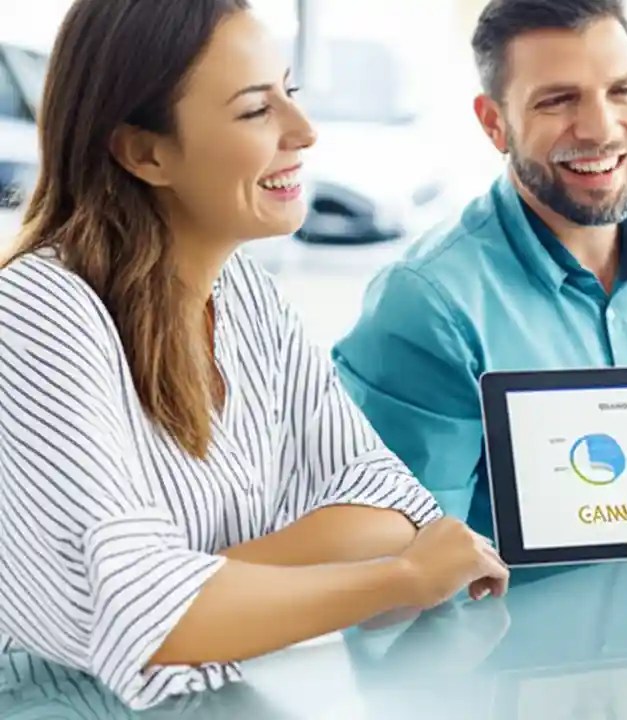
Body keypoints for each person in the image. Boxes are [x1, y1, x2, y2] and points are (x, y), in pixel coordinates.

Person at [0, 0, 508, 711]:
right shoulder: (36, 312)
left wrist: (190, 591)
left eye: (289, 94)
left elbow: (390, 506)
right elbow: (150, 621)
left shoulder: (245, 294)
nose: (304, 132)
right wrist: (402, 580)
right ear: (145, 152)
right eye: (253, 111)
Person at [333, 0, 627, 536]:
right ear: (494, 124)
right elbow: (406, 570)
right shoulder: (426, 306)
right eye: (558, 101)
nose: (600, 129)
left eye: (621, 91)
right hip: (521, 621)